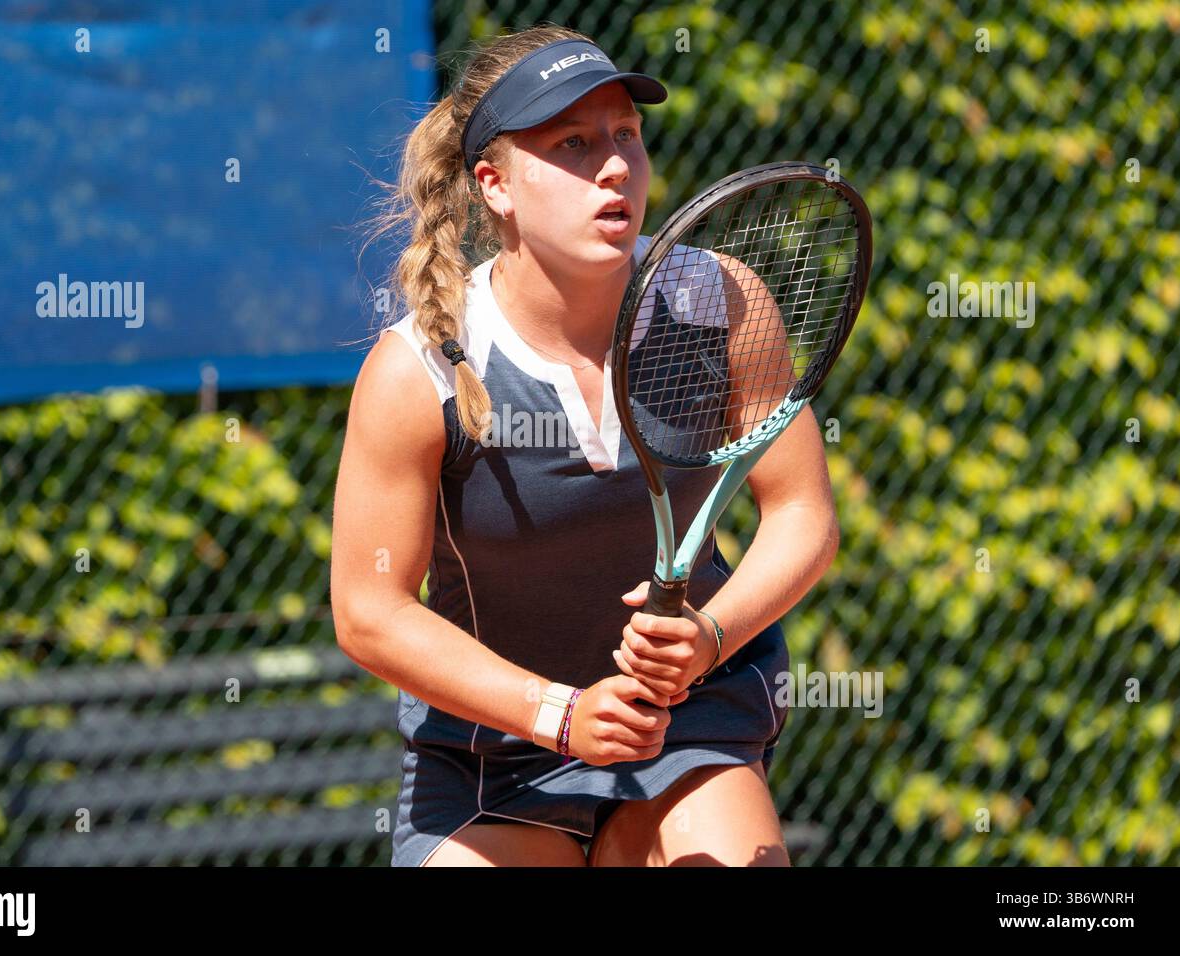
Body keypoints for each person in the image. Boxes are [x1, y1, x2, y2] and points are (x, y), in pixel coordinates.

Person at [333, 24, 839, 867]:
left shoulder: (718, 302)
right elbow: (369, 610)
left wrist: (711, 635)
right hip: (492, 753)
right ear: (493, 184)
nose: (615, 167)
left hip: (685, 726)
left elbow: (802, 514)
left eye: (626, 138)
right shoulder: (417, 370)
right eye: (573, 144)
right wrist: (557, 713)